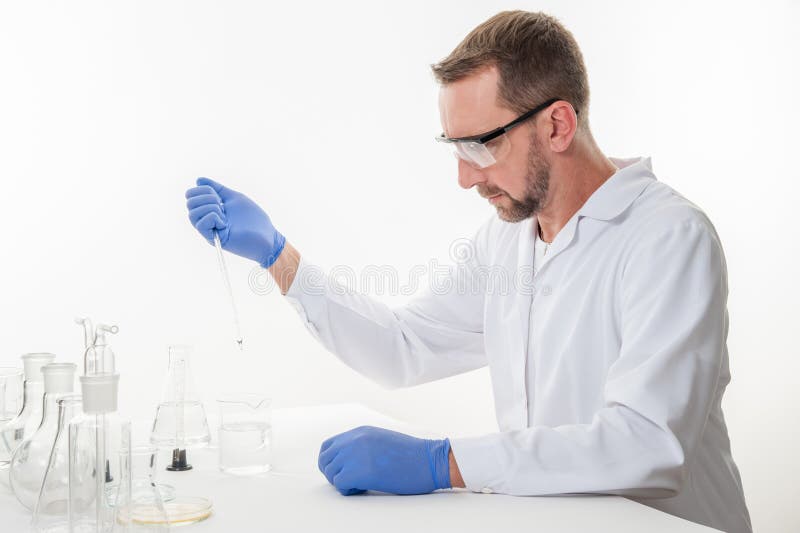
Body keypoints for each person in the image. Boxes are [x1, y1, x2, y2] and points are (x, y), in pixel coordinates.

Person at [184, 11, 751, 533]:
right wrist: (278, 256)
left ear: (558, 125)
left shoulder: (667, 238)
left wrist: (444, 463)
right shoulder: (508, 239)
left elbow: (646, 445)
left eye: (480, 146)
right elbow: (404, 347)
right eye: (454, 148)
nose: (464, 178)